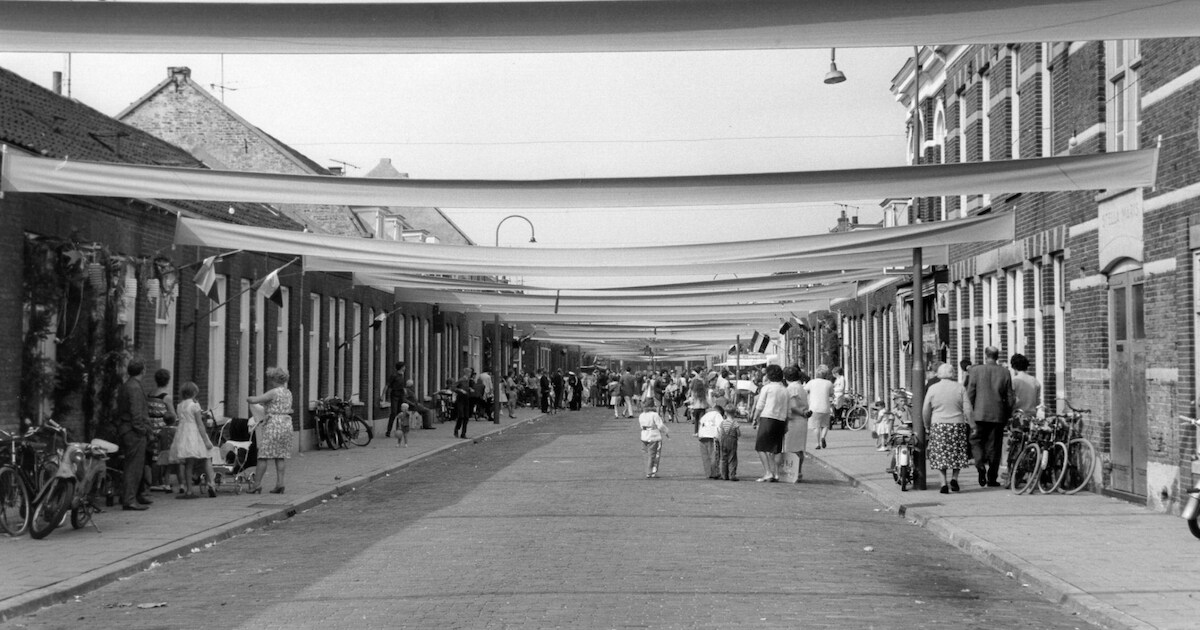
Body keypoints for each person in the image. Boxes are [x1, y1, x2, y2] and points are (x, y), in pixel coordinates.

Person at [966, 346, 1015, 487]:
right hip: (997, 415)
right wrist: (1007, 413)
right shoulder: (1005, 372)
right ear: (997, 356)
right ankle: (992, 478)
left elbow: (970, 394)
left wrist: (969, 412)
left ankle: (979, 463)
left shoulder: (976, 371)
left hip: (979, 414)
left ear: (985, 355)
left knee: (975, 441)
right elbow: (1010, 397)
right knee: (994, 446)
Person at [923, 363, 971, 494]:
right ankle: (954, 478)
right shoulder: (960, 388)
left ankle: (943, 483)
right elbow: (967, 409)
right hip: (957, 424)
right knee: (957, 453)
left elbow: (926, 409)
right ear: (952, 373)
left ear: (938, 374)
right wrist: (972, 424)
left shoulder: (933, 388)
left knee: (940, 454)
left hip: (938, 424)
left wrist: (927, 425)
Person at [247, 367, 294, 493]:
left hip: (274, 425)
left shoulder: (274, 392)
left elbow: (255, 400)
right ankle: (280, 483)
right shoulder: (288, 393)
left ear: (274, 379)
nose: (270, 382)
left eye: (271, 379)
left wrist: (249, 398)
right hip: (286, 424)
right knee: (280, 456)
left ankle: (256, 485)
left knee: (263, 455)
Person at [115, 359, 153, 511]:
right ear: (143, 370)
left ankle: (135, 495)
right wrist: (142, 430)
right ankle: (129, 499)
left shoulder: (127, 385)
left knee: (137, 464)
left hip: (127, 429)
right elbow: (136, 412)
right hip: (133, 431)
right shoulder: (135, 388)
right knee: (134, 466)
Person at [171, 381, 216, 498]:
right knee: (207, 456)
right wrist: (206, 440)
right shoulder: (195, 406)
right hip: (194, 434)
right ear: (194, 392)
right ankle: (211, 483)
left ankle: (189, 490)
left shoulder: (179, 406)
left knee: (188, 463)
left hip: (182, 434)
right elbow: (200, 424)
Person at [749, 364, 788, 482]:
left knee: (760, 447)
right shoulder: (785, 390)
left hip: (768, 418)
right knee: (776, 448)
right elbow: (787, 408)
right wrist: (786, 423)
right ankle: (776, 473)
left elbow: (760, 405)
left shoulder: (767, 388)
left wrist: (754, 418)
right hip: (781, 419)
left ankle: (767, 472)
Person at [147, 368, 177, 493]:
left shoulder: (150, 394)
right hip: (161, 426)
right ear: (167, 381)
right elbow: (173, 414)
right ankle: (156, 482)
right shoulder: (166, 397)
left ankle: (155, 480)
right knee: (160, 454)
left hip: (150, 425)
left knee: (152, 454)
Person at [783, 366, 811, 483]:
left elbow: (793, 406)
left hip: (794, 420)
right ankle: (798, 472)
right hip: (802, 421)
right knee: (799, 449)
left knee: (792, 448)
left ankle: (794, 473)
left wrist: (803, 413)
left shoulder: (792, 388)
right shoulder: (800, 387)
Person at [637, 398, 669, 478]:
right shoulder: (654, 415)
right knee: (654, 455)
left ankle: (647, 470)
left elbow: (641, 426)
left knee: (646, 454)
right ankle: (651, 471)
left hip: (644, 436)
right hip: (654, 436)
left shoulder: (641, 415)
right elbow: (660, 425)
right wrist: (666, 431)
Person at [805, 364, 835, 449]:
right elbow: (831, 393)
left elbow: (805, 390)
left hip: (814, 407)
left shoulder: (811, 382)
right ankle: (823, 437)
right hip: (825, 407)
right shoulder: (829, 383)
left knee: (816, 426)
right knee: (825, 425)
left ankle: (817, 443)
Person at [697, 404, 723, 479]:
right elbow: (720, 426)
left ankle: (708, 473)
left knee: (705, 456)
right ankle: (715, 473)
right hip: (712, 436)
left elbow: (700, 424)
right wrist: (721, 437)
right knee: (714, 455)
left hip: (702, 436)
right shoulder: (717, 415)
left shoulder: (705, 415)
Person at [716, 406, 740, 481]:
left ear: (725, 413)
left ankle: (724, 475)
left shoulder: (722, 422)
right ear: (734, 413)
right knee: (732, 458)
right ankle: (732, 475)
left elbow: (720, 433)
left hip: (723, 441)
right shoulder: (735, 423)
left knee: (723, 458)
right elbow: (739, 433)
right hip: (732, 442)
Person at [384, 361, 407, 438]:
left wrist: (405, 392)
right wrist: (383, 395)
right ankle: (388, 431)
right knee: (393, 413)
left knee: (400, 413)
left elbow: (402, 386)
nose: (405, 368)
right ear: (401, 367)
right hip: (394, 395)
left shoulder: (402, 375)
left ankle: (399, 429)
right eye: (404, 366)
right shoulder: (394, 375)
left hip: (401, 395)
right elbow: (387, 385)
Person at [453, 368, 474, 438]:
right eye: (470, 373)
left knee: (466, 417)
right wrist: (460, 390)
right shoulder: (461, 380)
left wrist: (469, 389)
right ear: (467, 373)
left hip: (466, 399)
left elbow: (466, 388)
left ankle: (463, 433)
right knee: (461, 416)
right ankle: (456, 429)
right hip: (460, 399)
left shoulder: (468, 380)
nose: (470, 374)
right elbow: (453, 388)